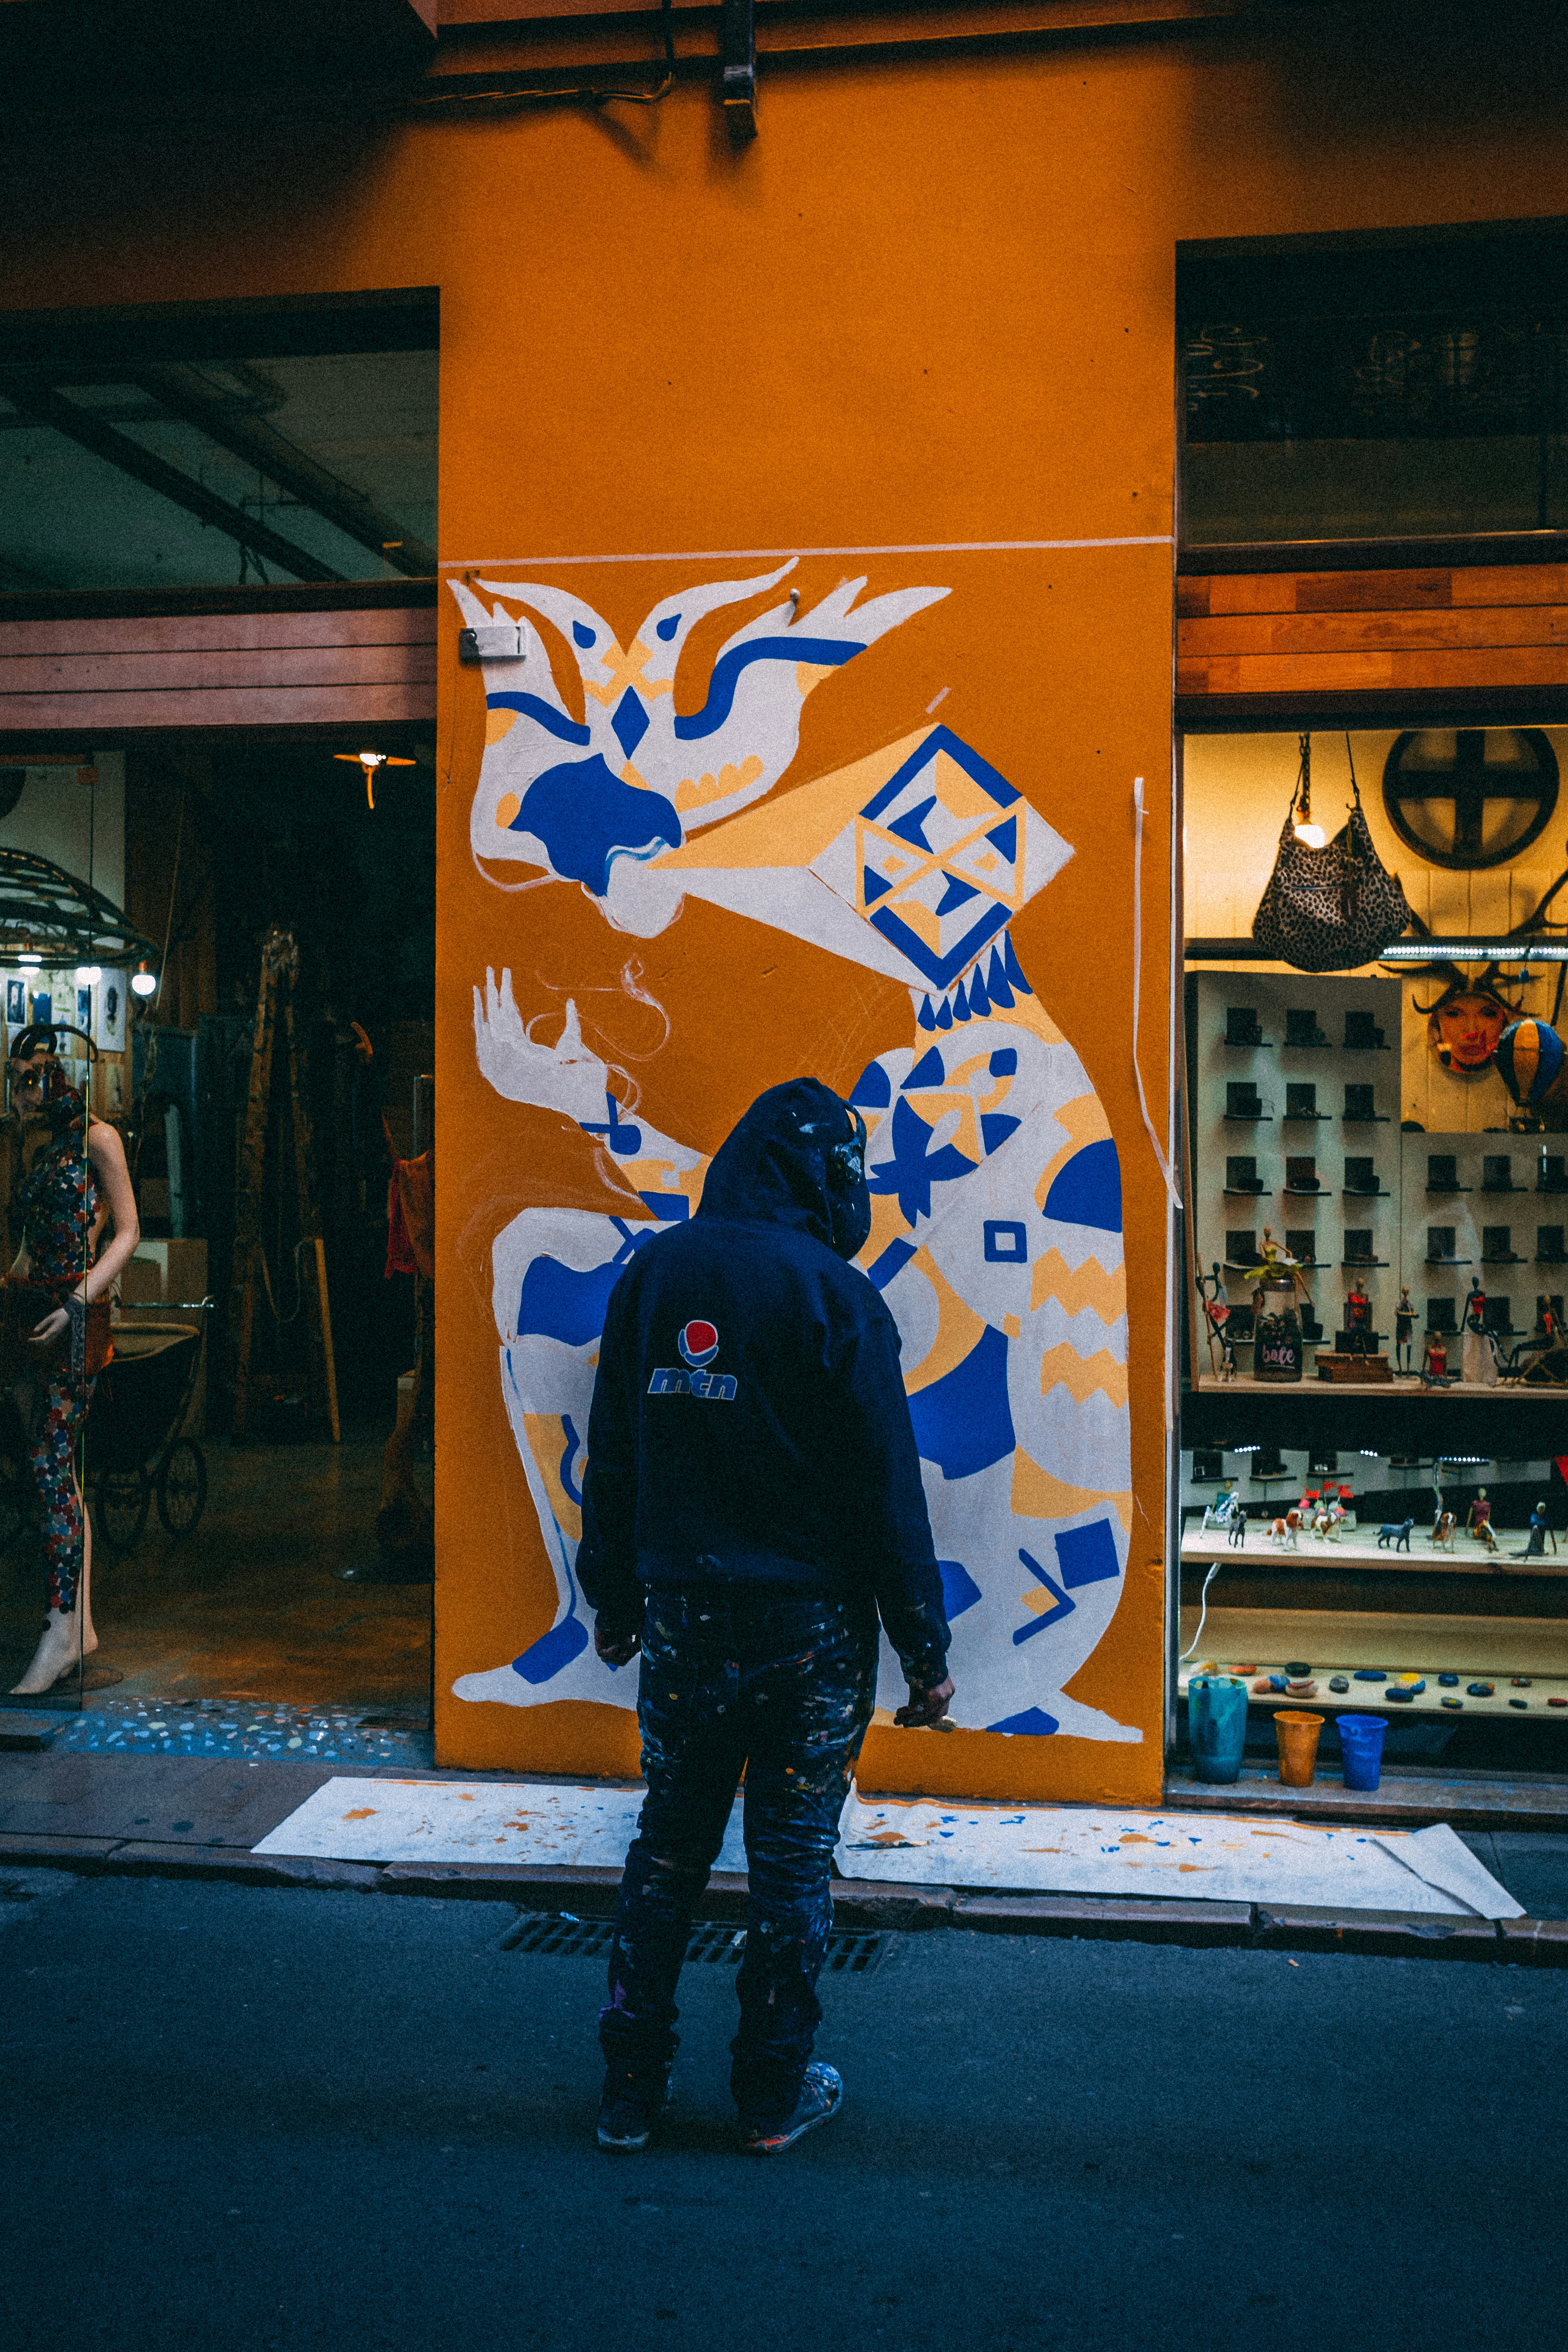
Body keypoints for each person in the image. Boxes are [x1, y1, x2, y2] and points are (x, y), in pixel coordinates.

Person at [576, 1078, 952, 2157]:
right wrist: (924, 1649)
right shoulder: (838, 1294)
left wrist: (614, 1597)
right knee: (791, 1866)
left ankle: (629, 2095)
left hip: (685, 1622)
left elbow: (617, 1455)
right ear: (825, 1177)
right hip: (812, 1636)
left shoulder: (655, 1274)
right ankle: (769, 2098)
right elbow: (886, 1493)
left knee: (667, 1851)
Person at [7, 1027, 139, 1694]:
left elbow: (129, 1231)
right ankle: (76, 1625)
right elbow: (33, 1241)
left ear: (63, 1074)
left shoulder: (98, 1139)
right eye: (16, 1079)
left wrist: (80, 1301)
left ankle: (60, 1631)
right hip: (35, 1312)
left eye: (36, 1077)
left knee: (52, 1464)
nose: (25, 1092)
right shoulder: (36, 1148)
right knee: (52, 1472)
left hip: (76, 1317)